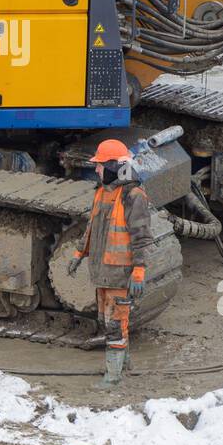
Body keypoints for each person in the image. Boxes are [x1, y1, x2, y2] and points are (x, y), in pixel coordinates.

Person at [67, 138, 154, 387]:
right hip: (103, 272)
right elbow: (92, 226)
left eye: (100, 165)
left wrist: (138, 270)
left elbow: (142, 237)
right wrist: (78, 253)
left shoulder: (133, 195)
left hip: (119, 273)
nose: (96, 169)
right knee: (110, 321)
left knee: (115, 324)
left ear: (114, 166)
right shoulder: (103, 192)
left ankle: (113, 377)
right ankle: (124, 364)